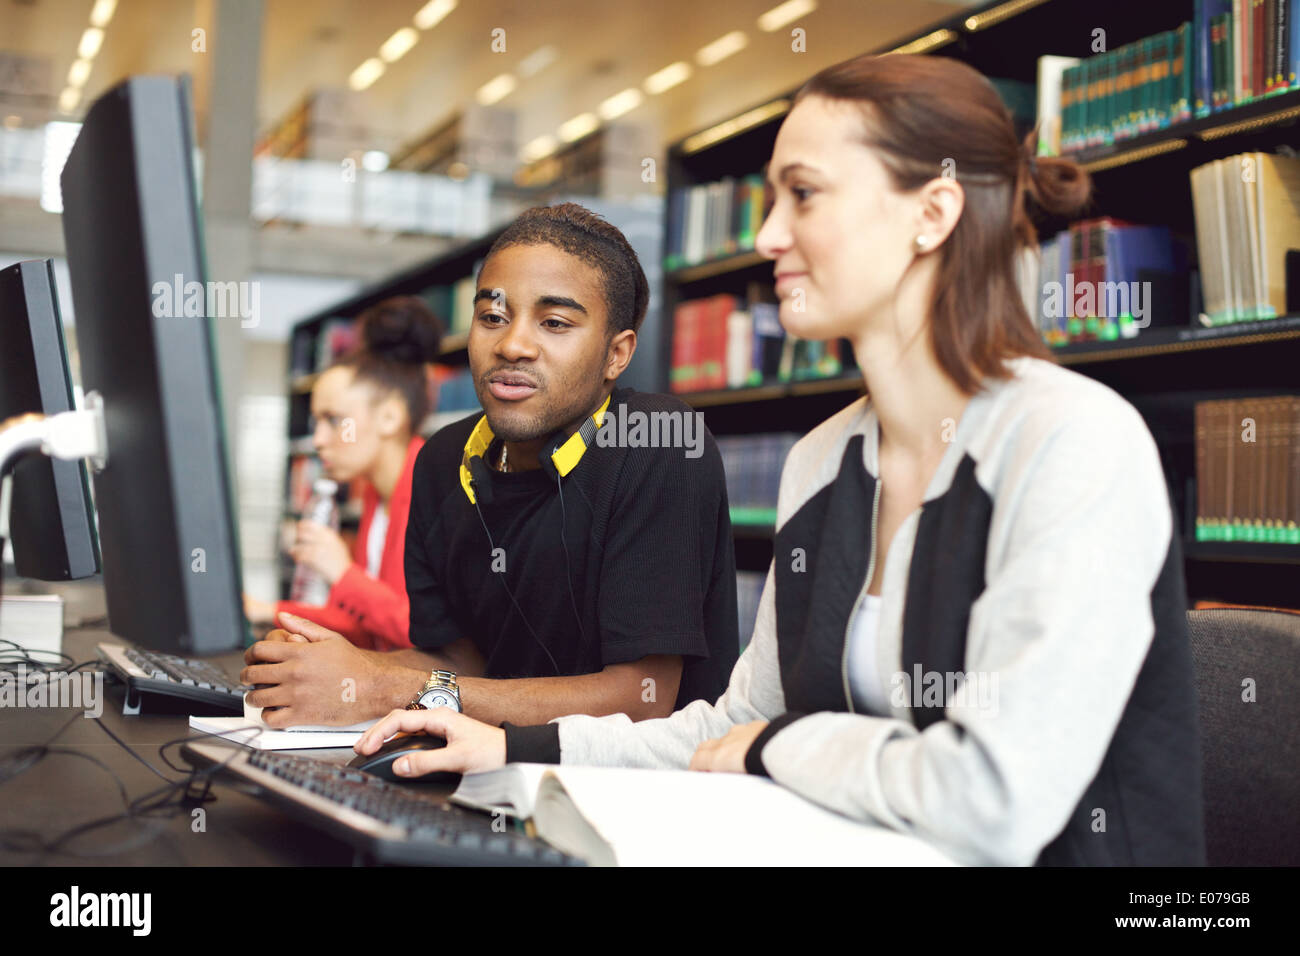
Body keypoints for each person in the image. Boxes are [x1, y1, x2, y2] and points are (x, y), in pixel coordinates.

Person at [355, 54, 1206, 868]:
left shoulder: (1074, 443)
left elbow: (995, 797)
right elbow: (728, 725)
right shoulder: (824, 460)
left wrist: (782, 747)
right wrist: (509, 744)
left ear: (933, 212)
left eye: (803, 195)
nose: (768, 236)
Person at [242, 202, 739, 730]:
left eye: (554, 322)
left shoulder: (659, 440)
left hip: (628, 797)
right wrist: (325, 666)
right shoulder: (442, 460)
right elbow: (460, 665)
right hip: (485, 774)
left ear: (616, 356)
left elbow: (640, 699)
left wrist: (378, 686)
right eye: (493, 317)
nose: (512, 344)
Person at [244, 297, 441, 651]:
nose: (318, 440)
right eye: (317, 421)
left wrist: (341, 571)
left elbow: (420, 631)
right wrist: (265, 610)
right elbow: (364, 623)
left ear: (390, 417)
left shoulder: (432, 493)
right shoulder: (375, 494)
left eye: (334, 420)